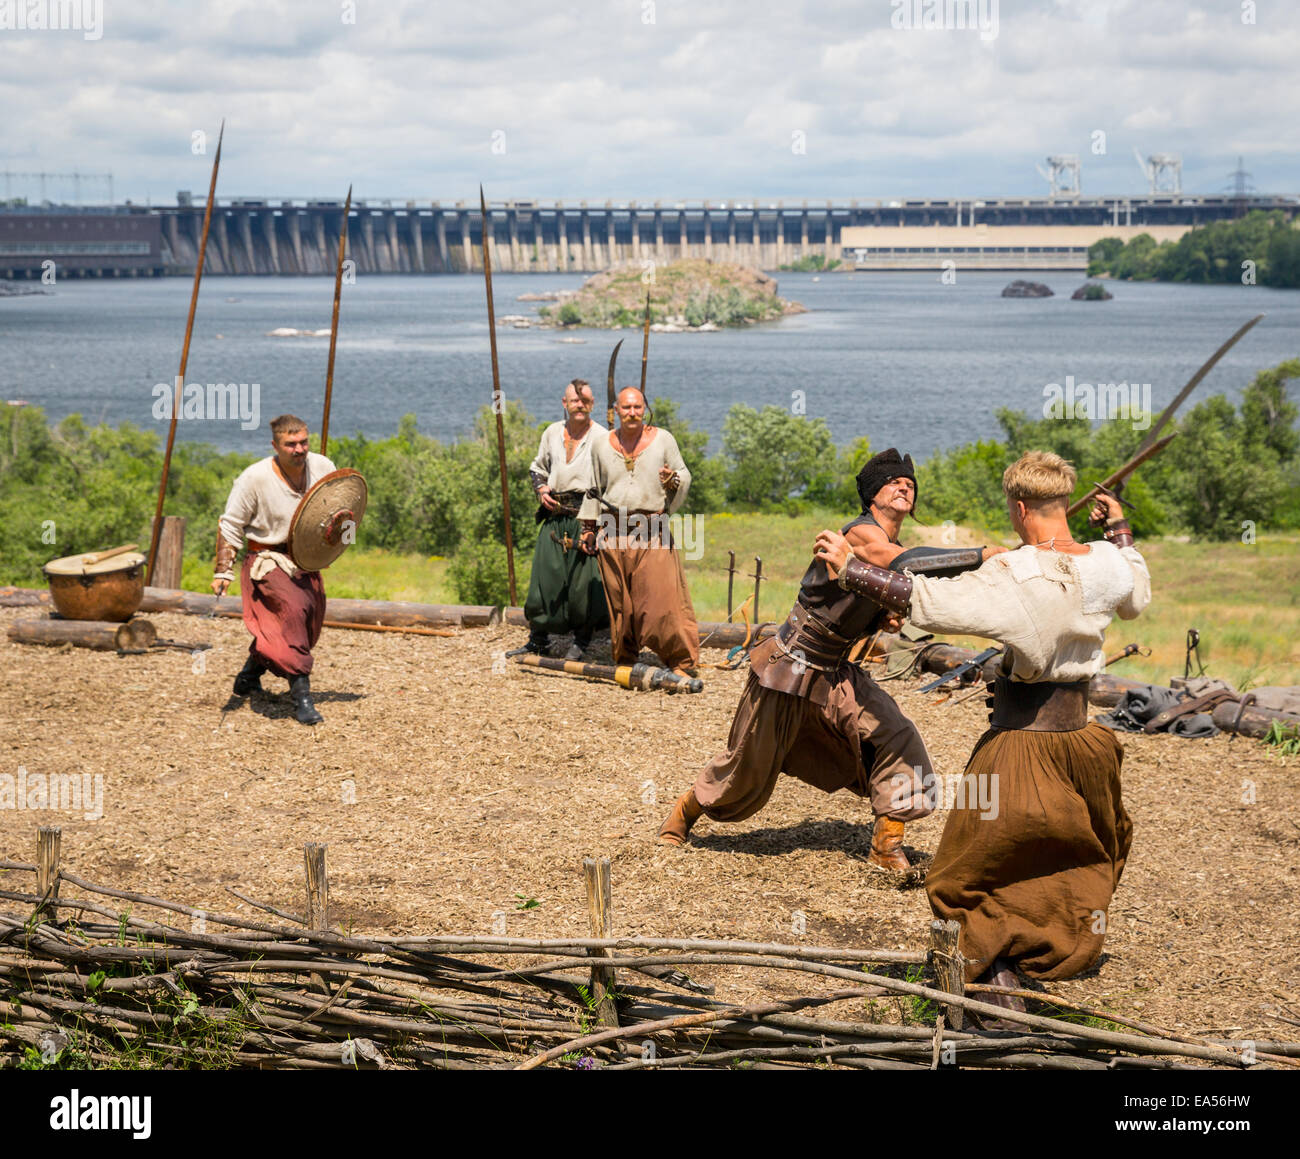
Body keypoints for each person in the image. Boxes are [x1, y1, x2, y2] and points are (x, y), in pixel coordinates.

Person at [814, 450, 1150, 1020]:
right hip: (1088, 743)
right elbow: (1137, 593)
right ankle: (1046, 943)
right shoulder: (1107, 564)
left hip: (1021, 747)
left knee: (959, 874)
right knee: (1078, 855)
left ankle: (991, 979)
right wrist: (1117, 528)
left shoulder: (1014, 574)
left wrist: (851, 568)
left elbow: (925, 601)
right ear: (1066, 503)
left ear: (1020, 508)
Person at [657, 448, 999, 872]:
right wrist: (982, 555)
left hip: (838, 673)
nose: (904, 486)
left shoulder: (893, 547)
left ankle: (886, 844)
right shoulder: (858, 535)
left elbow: (890, 587)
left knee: (897, 736)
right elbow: (904, 564)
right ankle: (683, 815)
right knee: (745, 772)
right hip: (790, 667)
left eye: (909, 483)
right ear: (873, 495)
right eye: (894, 482)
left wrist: (882, 619)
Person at [213, 414, 335, 725]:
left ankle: (248, 676)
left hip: (303, 560)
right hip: (265, 561)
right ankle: (302, 699)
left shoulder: (323, 468)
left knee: (306, 617)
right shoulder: (254, 478)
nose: (299, 449)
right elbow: (230, 525)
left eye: (304, 442)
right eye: (290, 444)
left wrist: (337, 539)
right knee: (292, 615)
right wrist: (222, 571)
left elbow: (335, 510)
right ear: (275, 445)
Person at [578, 386, 699, 677]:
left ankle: (681, 661)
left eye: (637, 407)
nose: (632, 413)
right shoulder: (601, 444)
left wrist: (673, 480)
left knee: (662, 602)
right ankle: (626, 658)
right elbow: (593, 488)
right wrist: (587, 528)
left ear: (644, 409)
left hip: (651, 530)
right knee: (622, 604)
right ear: (615, 411)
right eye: (626, 408)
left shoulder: (663, 440)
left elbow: (684, 474)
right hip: (612, 530)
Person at [513, 378, 609, 661]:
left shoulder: (603, 437)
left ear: (593, 404)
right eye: (575, 400)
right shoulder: (552, 432)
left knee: (583, 585)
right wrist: (541, 488)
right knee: (545, 580)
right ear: (564, 403)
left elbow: (609, 481)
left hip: (586, 520)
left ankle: (581, 641)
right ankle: (538, 639)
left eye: (586, 400)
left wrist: (597, 525)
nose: (580, 405)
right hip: (554, 519)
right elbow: (538, 467)